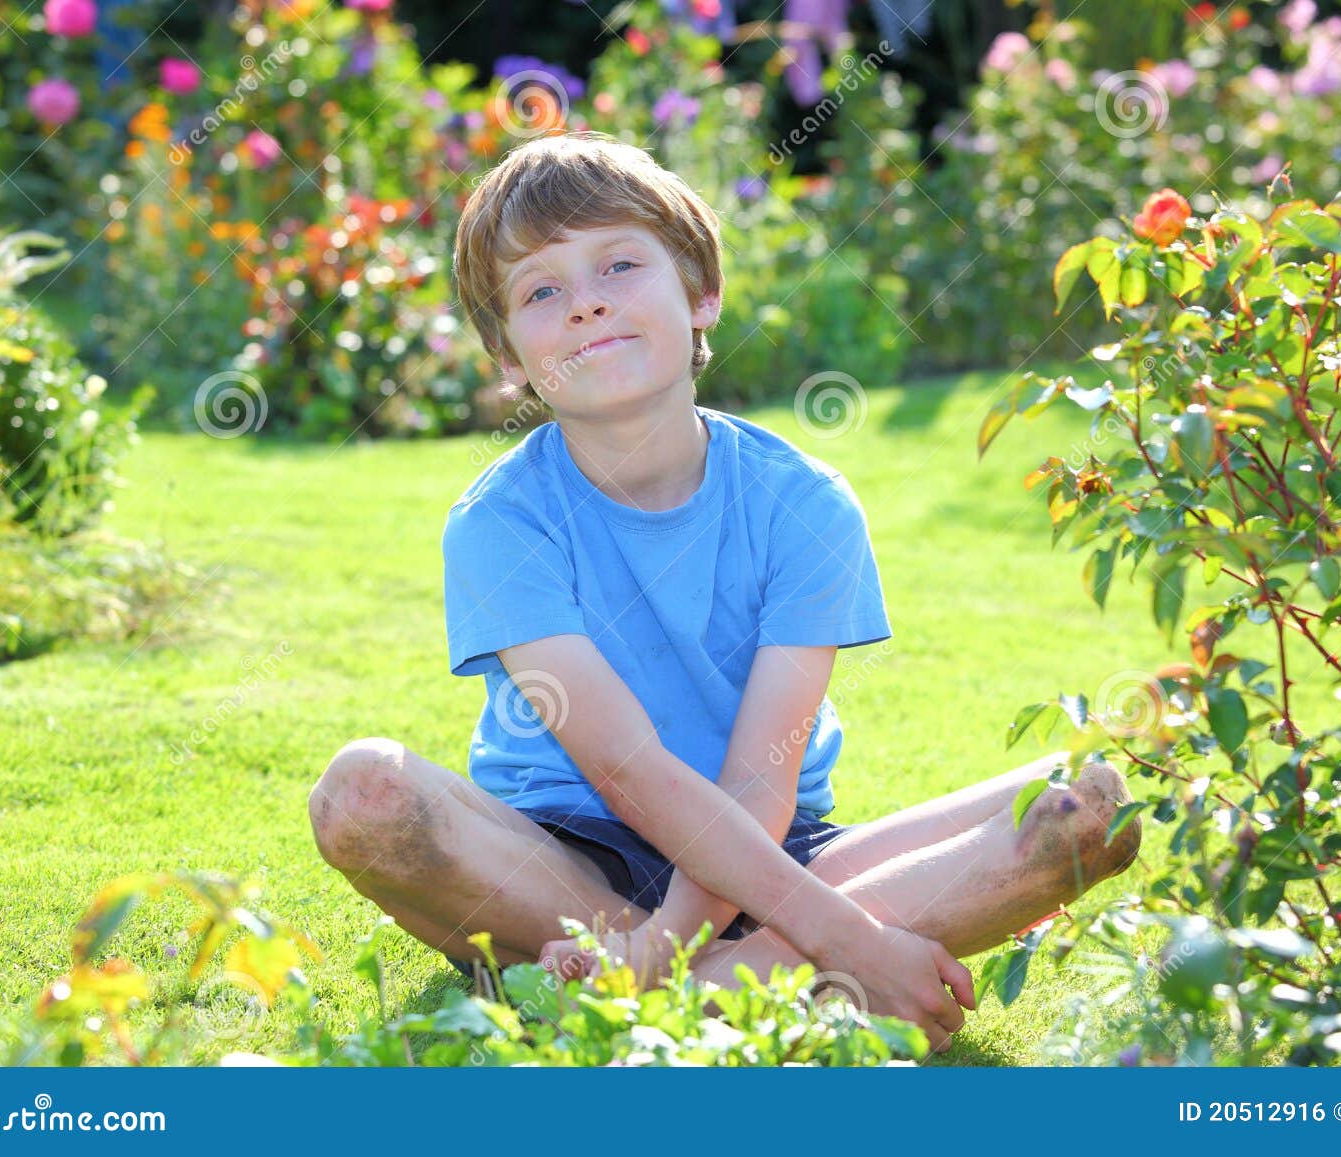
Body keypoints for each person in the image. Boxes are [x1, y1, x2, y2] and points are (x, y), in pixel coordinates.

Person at [307, 131, 1141, 1052]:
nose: (585, 303)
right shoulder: (499, 522)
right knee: (361, 794)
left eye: (619, 265)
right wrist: (850, 936)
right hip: (563, 853)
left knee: (1090, 803)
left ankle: (646, 991)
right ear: (509, 353)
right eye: (542, 290)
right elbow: (626, 768)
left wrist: (668, 945)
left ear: (700, 295)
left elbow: (758, 779)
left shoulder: (802, 502)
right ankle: (773, 982)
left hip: (770, 843)